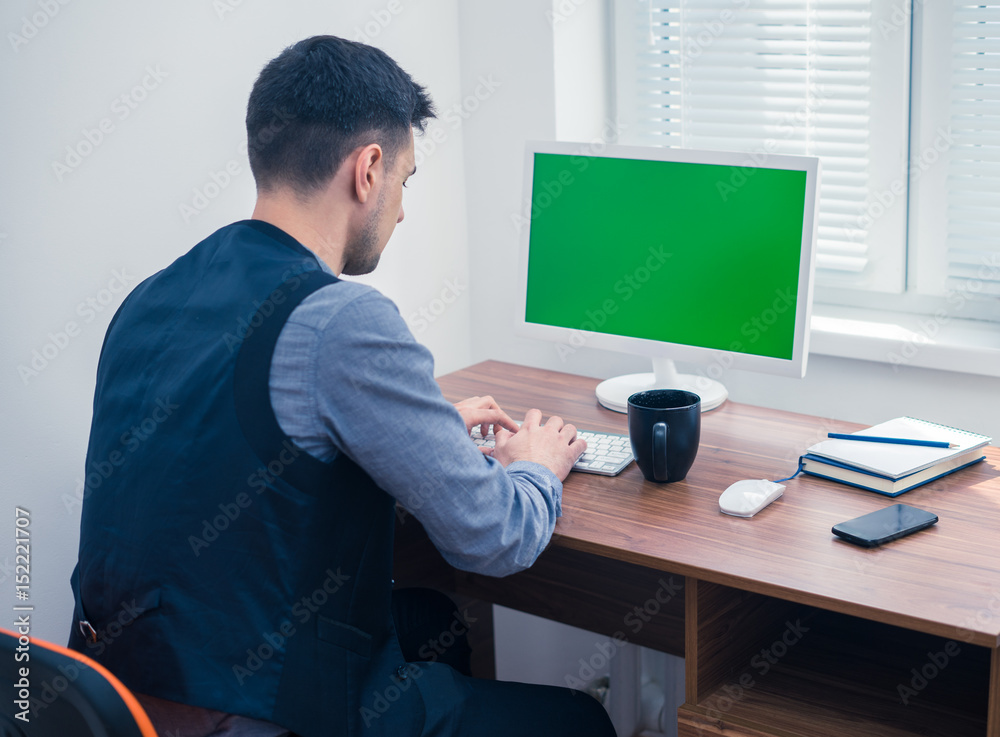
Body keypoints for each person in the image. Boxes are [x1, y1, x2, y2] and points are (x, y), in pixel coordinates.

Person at [68, 34, 617, 737]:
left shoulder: (151, 296)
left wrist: (416, 429)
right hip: (244, 712)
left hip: (113, 695)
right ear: (368, 169)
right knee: (579, 721)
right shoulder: (340, 320)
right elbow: (493, 538)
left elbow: (222, 439)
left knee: (436, 621)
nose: (402, 210)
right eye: (406, 182)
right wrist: (539, 467)